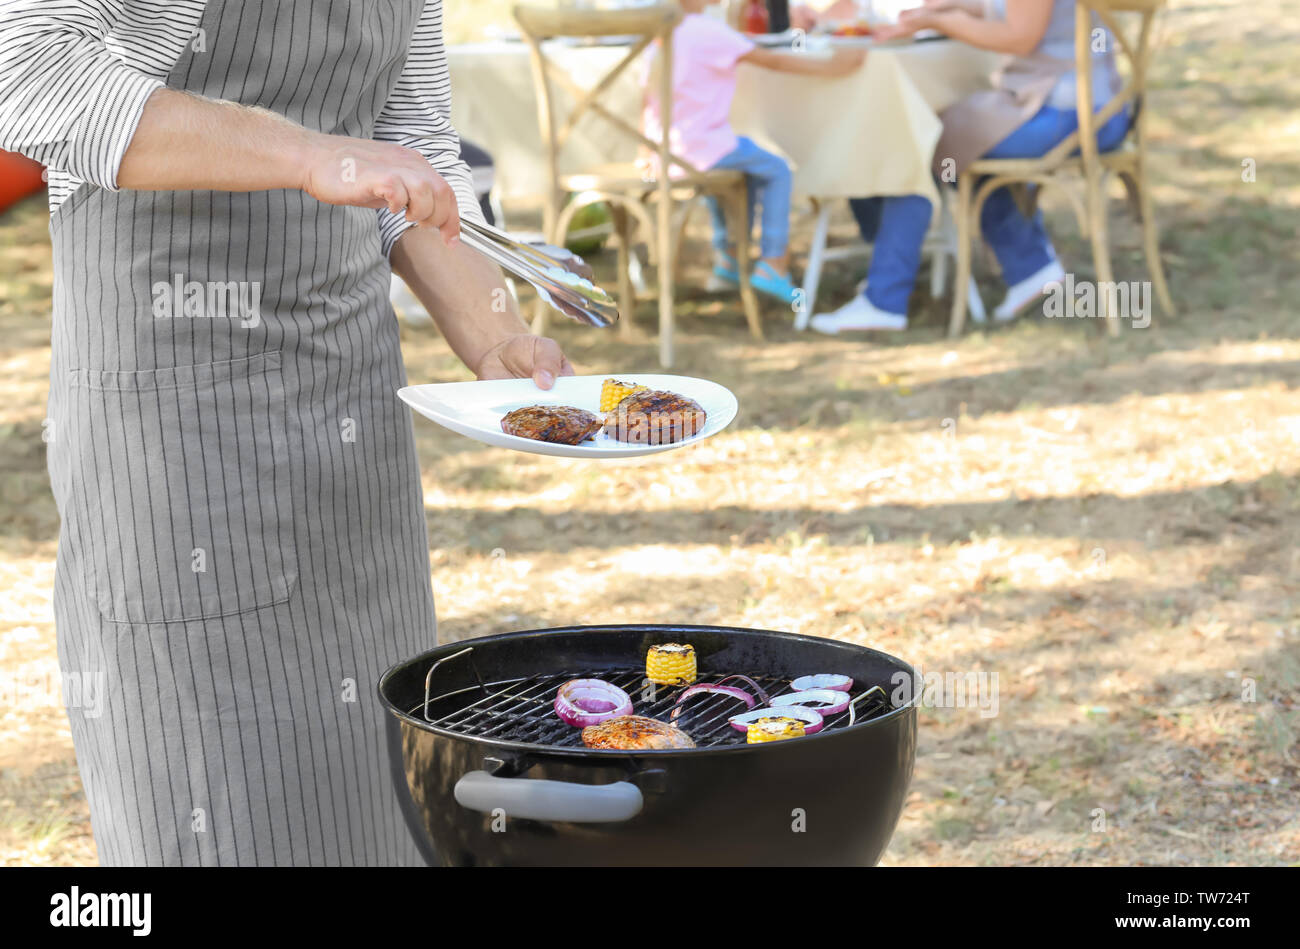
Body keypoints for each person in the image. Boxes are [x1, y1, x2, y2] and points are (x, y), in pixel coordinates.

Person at [0, 0, 574, 866]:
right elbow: (25, 67)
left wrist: (492, 333)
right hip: (176, 394)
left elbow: (411, 147)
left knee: (375, 776)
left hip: (348, 383)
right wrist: (310, 154)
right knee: (219, 787)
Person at [809, 0, 1131, 333]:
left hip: (1068, 113)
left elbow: (1019, 37)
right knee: (962, 134)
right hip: (1092, 110)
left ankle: (885, 299)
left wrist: (941, 22)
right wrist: (942, 10)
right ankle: (1030, 267)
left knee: (924, 139)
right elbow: (1007, 10)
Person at [645, 0, 864, 303]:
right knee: (776, 169)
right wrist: (831, 68)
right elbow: (774, 61)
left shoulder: (659, 32)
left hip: (667, 152)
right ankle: (774, 263)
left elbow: (646, 97)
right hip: (701, 147)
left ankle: (729, 257)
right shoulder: (709, 30)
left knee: (737, 169)